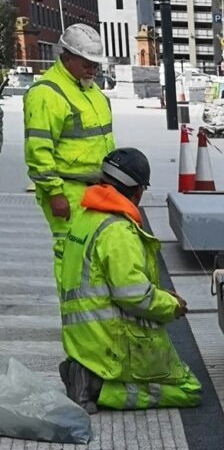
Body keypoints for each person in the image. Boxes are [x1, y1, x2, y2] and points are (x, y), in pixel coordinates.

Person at [56, 148, 201, 412]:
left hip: (82, 341)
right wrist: (171, 306)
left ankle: (85, 373)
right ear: (137, 191)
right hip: (111, 343)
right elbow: (133, 296)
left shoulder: (85, 218)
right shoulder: (118, 230)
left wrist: (159, 293)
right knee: (188, 390)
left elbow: (107, 282)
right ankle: (98, 388)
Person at [23, 23, 115, 264]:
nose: (92, 69)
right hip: (67, 190)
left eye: (95, 64)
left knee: (94, 254)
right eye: (87, 64)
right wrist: (55, 194)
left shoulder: (90, 89)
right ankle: (72, 292)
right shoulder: (47, 93)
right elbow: (38, 151)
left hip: (96, 189)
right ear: (67, 57)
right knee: (71, 255)